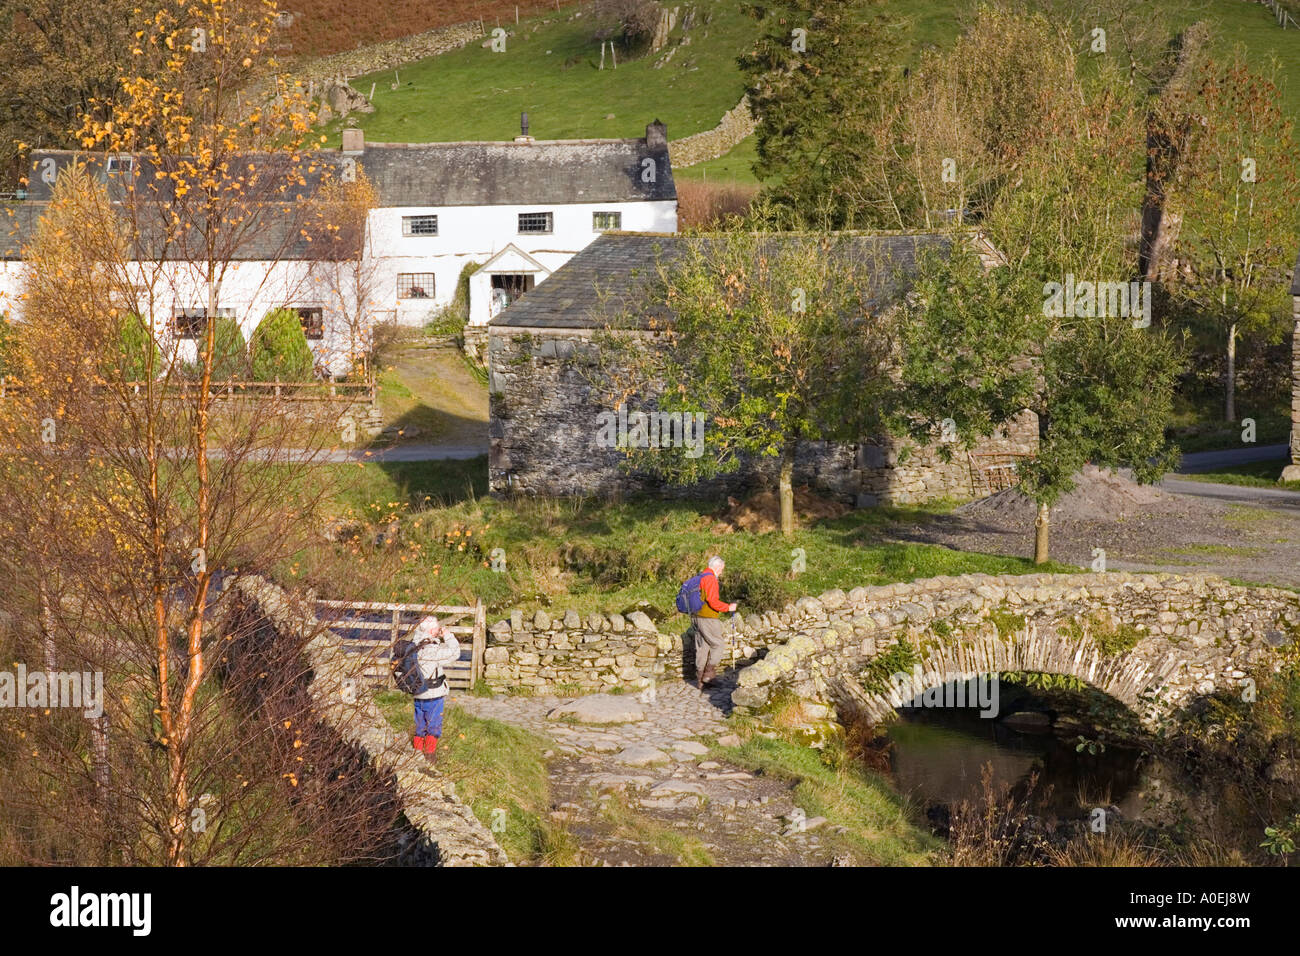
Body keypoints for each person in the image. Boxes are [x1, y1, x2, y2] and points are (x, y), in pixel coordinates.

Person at [410, 616, 460, 762]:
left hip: (418, 692)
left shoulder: (414, 644)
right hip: (433, 694)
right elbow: (455, 653)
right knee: (433, 724)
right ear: (432, 631)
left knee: (420, 724)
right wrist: (448, 636)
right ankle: (429, 754)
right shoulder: (431, 650)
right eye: (437, 627)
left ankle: (416, 752)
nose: (439, 629)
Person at [691, 555, 737, 688]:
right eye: (721, 569)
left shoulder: (700, 577)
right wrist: (728, 607)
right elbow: (713, 601)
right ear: (716, 567)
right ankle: (709, 674)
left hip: (695, 617)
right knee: (718, 644)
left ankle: (700, 680)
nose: (721, 572)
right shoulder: (710, 579)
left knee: (702, 647)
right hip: (708, 617)